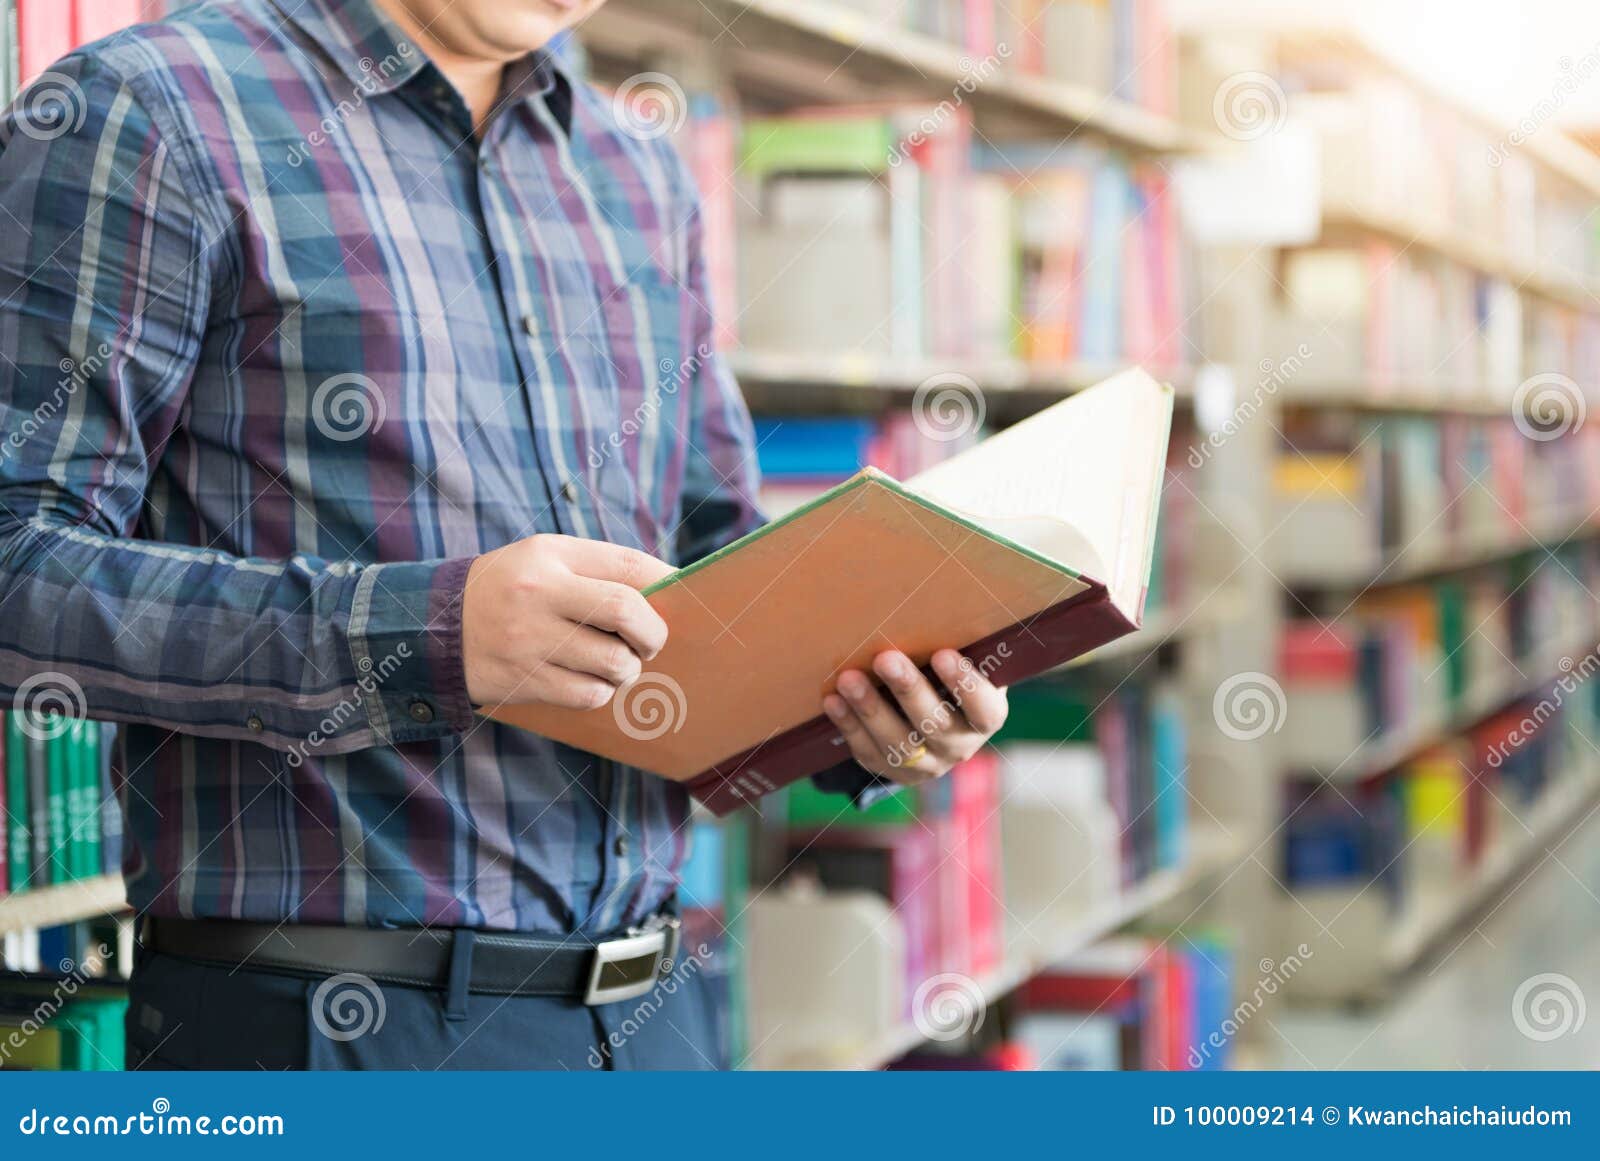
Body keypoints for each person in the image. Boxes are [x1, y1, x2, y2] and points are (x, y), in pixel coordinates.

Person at [0, 0, 1009, 1070]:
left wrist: (871, 710)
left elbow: (718, 570)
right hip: (331, 1028)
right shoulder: (150, 107)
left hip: (661, 1020)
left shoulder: (639, 174)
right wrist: (421, 636)